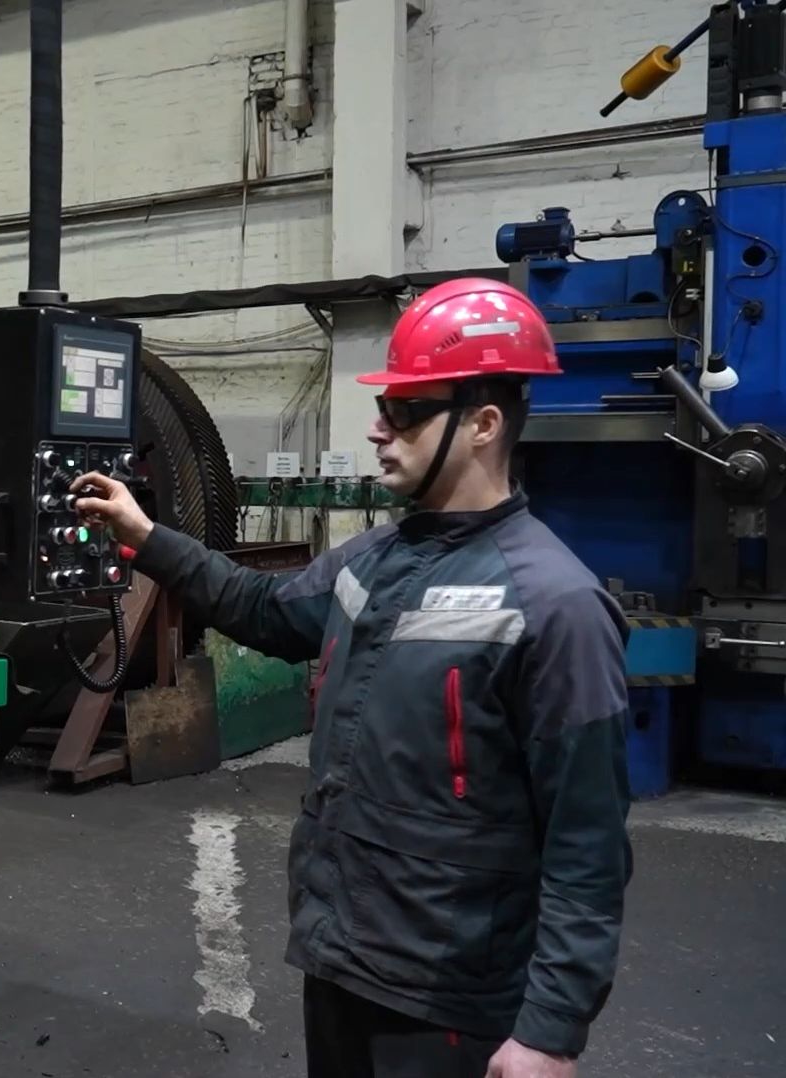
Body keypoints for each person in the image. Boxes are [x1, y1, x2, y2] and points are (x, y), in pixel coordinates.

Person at [73, 278, 631, 1078]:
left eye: (405, 410)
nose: (378, 428)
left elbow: (588, 845)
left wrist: (550, 1030)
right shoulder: (372, 560)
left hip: (448, 994)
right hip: (340, 956)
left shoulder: (555, 605)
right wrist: (146, 535)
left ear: (483, 425)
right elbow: (262, 610)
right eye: (383, 407)